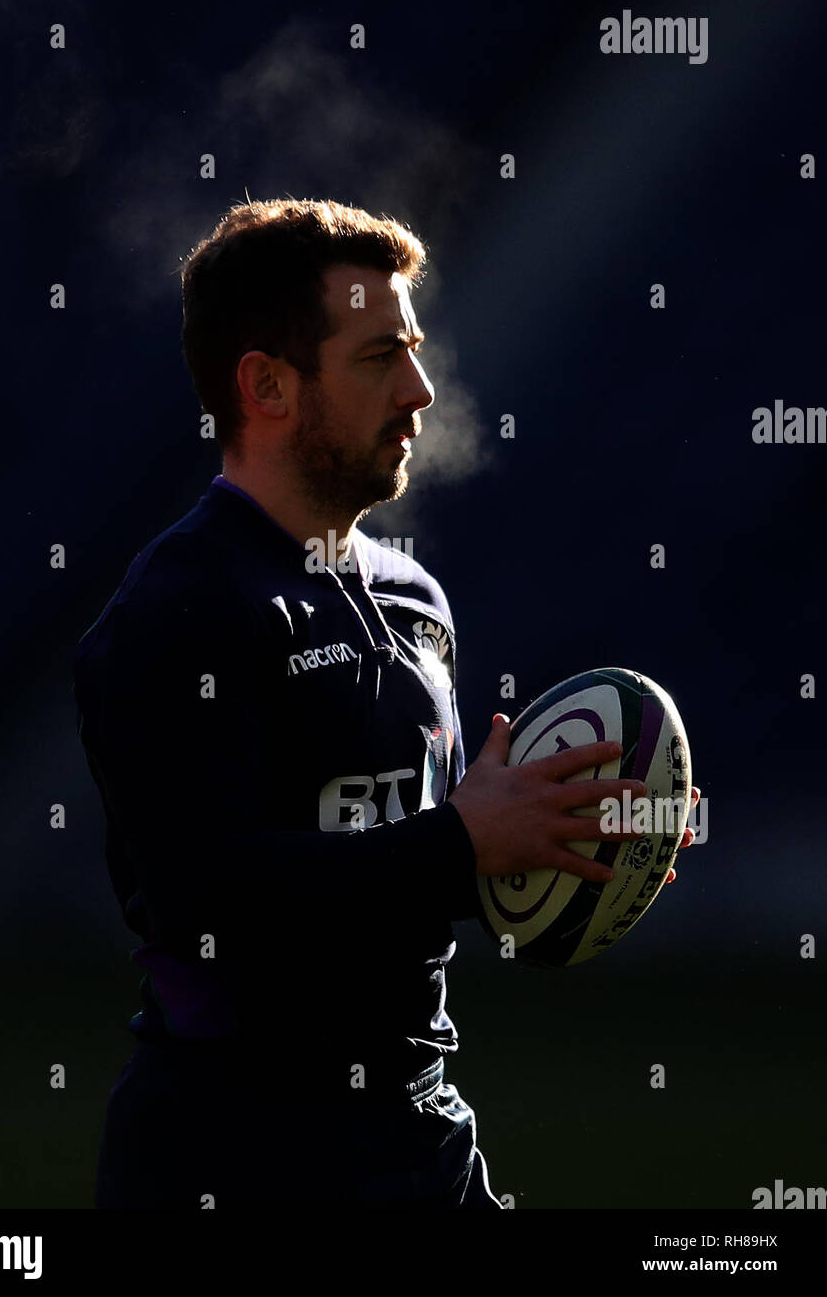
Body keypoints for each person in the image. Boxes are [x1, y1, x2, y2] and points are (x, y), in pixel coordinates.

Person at [73, 197, 696, 1209]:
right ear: (267, 385)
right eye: (378, 357)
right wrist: (462, 845)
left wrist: (551, 848)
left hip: (424, 1140)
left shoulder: (417, 600)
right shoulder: (179, 611)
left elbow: (395, 876)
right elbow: (210, 903)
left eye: (413, 348)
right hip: (236, 1162)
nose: (421, 388)